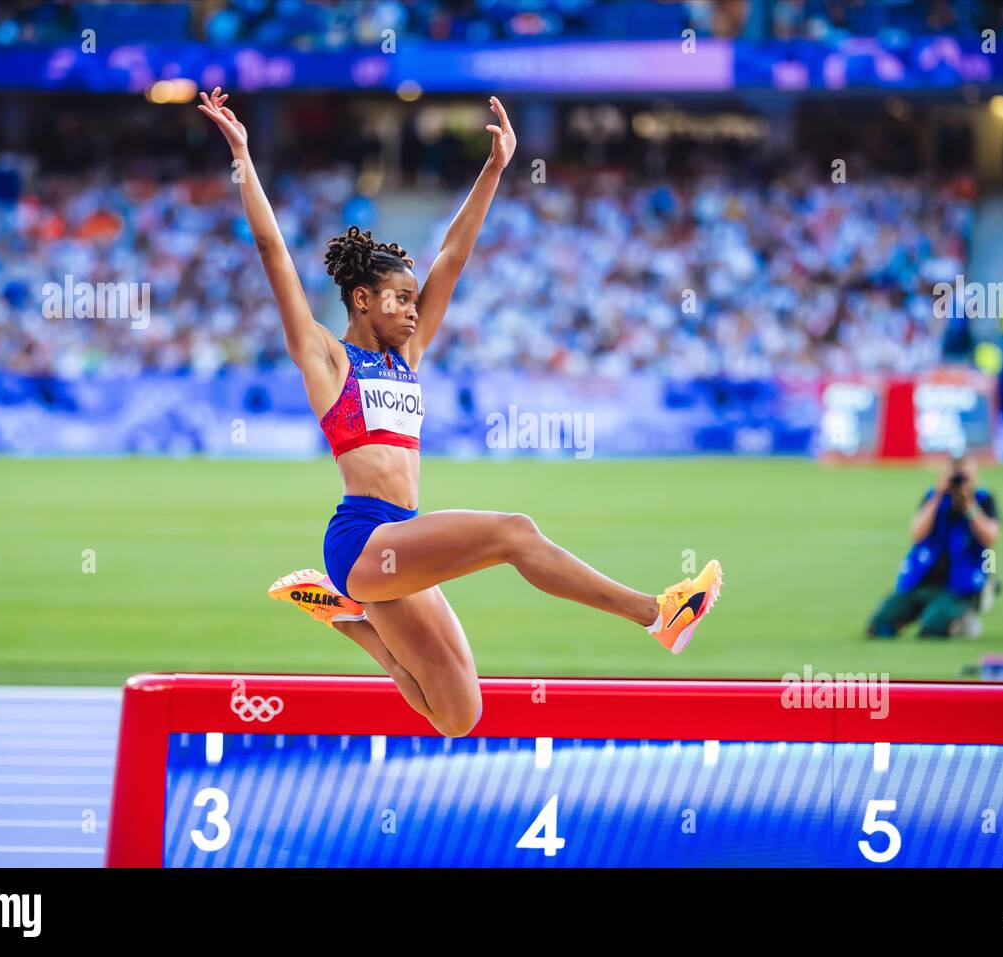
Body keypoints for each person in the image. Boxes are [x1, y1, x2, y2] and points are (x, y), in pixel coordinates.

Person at [196, 88, 722, 737]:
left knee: (458, 714)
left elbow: (454, 256)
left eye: (417, 300)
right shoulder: (327, 360)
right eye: (400, 298)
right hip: (363, 539)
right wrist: (244, 155)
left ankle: (348, 619)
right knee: (514, 531)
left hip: (399, 543)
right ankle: (657, 614)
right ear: (362, 300)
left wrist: (495, 167)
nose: (415, 310)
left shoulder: (407, 355)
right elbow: (274, 254)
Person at [866, 453, 1000, 639]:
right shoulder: (933, 498)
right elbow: (916, 534)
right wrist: (938, 496)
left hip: (960, 586)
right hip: (923, 580)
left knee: (932, 630)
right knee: (879, 625)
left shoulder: (983, 500)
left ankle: (964, 618)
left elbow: (990, 538)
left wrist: (968, 505)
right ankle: (928, 612)